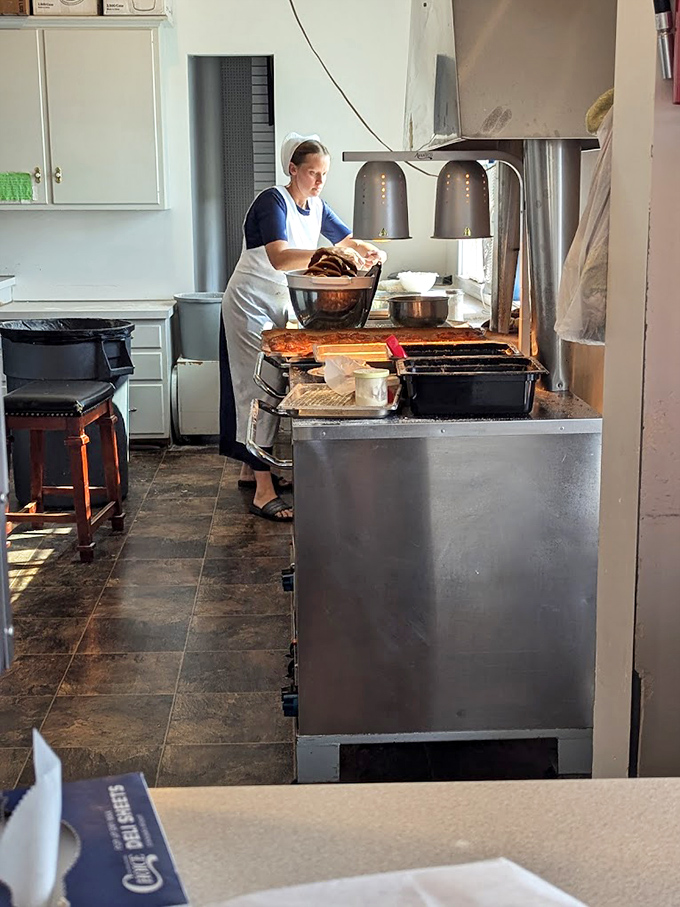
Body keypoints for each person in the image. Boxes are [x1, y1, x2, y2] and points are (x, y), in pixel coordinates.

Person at [220, 132, 386, 522]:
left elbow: (346, 238)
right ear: (292, 170)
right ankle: (263, 491)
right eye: (312, 173)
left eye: (324, 174)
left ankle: (252, 469)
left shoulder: (316, 205)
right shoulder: (272, 201)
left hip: (276, 304)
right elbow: (279, 258)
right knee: (254, 388)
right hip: (249, 302)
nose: (319, 181)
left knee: (270, 384)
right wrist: (332, 252)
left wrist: (368, 249)